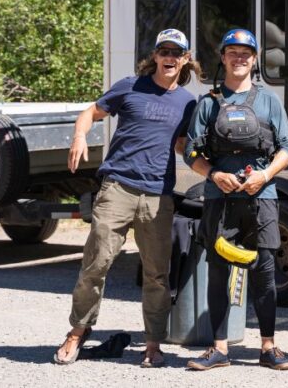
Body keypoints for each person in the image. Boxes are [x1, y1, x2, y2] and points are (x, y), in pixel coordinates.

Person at [54, 28, 200, 367]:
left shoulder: (188, 102)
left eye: (176, 53)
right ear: (155, 56)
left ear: (185, 59)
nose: (169, 57)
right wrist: (79, 137)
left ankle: (153, 343)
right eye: (164, 51)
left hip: (158, 196)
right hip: (117, 187)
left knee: (157, 274)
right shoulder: (130, 86)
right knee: (96, 264)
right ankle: (77, 332)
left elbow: (182, 146)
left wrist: (216, 167)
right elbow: (90, 112)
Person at [183, 28, 288, 371]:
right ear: (223, 57)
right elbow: (190, 151)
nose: (239, 57)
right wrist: (213, 174)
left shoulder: (269, 100)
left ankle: (268, 347)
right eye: (233, 52)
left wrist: (264, 175)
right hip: (219, 197)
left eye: (246, 53)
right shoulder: (208, 102)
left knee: (263, 271)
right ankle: (219, 349)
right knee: (218, 271)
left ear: (255, 59)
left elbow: (287, 148)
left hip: (263, 196)